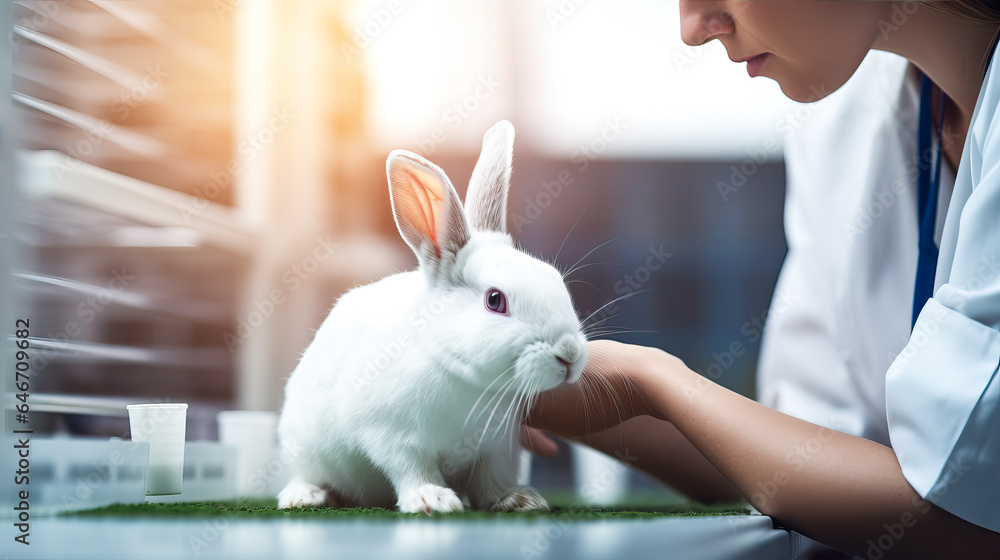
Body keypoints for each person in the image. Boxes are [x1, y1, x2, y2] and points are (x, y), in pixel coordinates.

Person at [522, 2, 1000, 557]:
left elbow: (963, 525)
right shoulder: (845, 118)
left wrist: (656, 382)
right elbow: (800, 467)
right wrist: (528, 389)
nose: (693, 28)